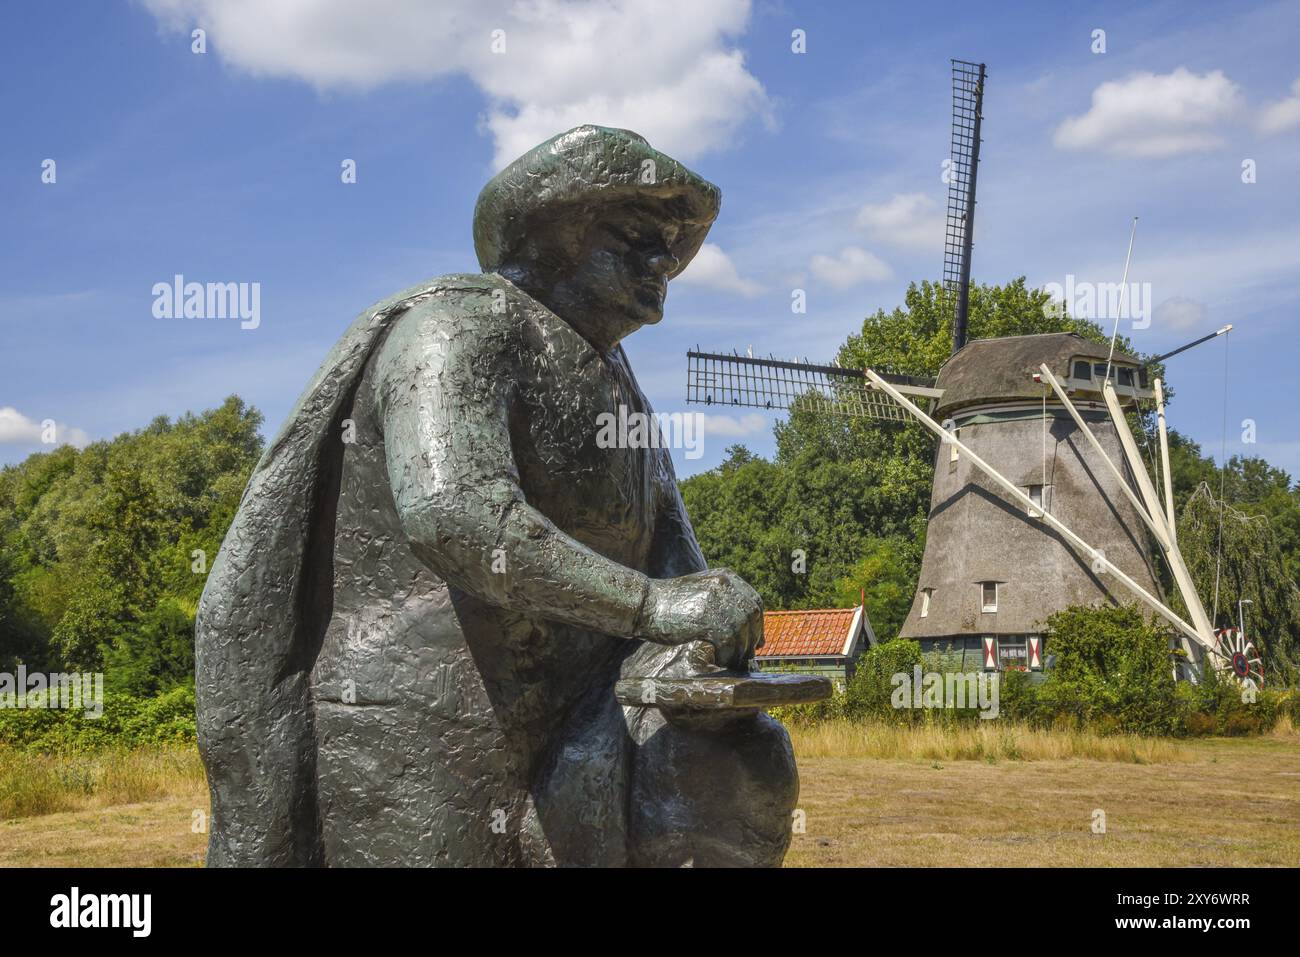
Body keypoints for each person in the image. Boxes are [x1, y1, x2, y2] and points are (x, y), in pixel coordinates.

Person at [197, 125, 797, 867]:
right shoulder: (458, 328)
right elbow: (455, 513)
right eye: (637, 236)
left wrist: (705, 617)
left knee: (747, 760)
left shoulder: (619, 386)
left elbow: (666, 535)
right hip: (426, 721)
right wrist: (651, 606)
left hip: (575, 711)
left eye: (672, 244)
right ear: (557, 235)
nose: (663, 260)